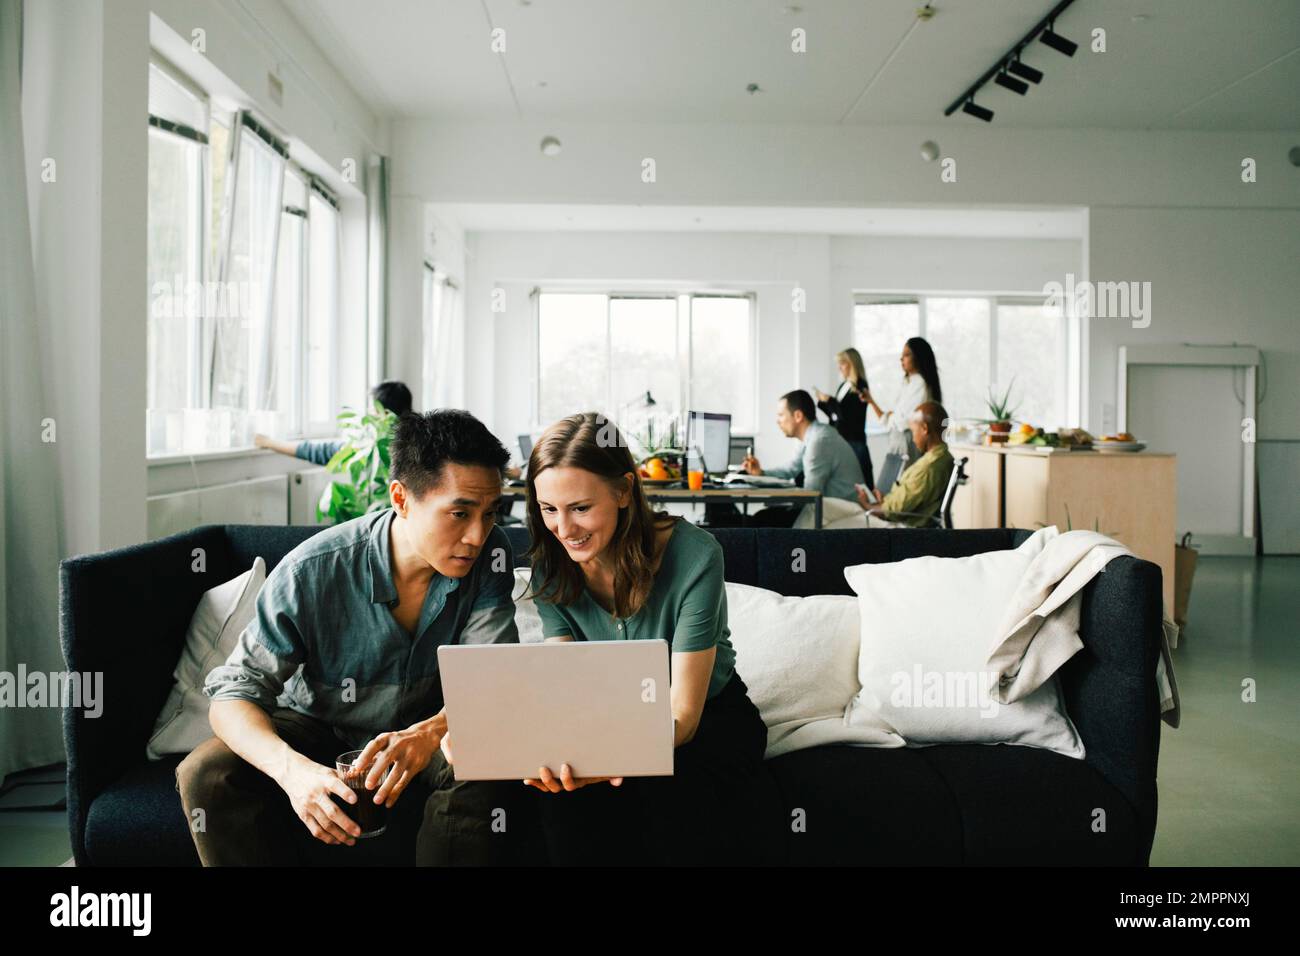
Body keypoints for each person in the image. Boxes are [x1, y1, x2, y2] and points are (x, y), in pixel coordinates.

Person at [177, 409, 533, 866]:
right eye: (460, 513)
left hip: (423, 730)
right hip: (317, 727)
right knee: (206, 772)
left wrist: (429, 732)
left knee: (481, 756)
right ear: (401, 499)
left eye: (490, 513)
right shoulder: (313, 570)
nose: (477, 535)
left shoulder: (491, 555)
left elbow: (492, 680)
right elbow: (232, 694)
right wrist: (293, 773)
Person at [443, 411, 780, 865]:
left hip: (702, 718)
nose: (564, 529)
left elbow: (682, 713)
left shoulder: (696, 556)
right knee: (559, 799)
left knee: (671, 801)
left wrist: (613, 756)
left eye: (580, 508)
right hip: (601, 711)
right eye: (548, 510)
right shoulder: (551, 562)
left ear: (623, 490)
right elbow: (565, 682)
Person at [740, 389, 862, 527]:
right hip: (828, 505)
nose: (777, 421)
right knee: (762, 518)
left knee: (761, 520)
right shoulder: (812, 436)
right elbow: (791, 468)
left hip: (839, 509)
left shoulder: (819, 440)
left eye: (781, 415)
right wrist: (761, 473)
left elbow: (811, 493)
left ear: (798, 416)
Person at [254, 380, 414, 465]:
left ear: (383, 413)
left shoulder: (372, 446)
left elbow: (320, 452)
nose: (368, 413)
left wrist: (268, 442)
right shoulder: (417, 440)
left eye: (372, 408)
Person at [857, 402, 954, 528]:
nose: (913, 439)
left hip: (904, 529)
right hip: (908, 519)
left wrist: (866, 504)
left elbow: (892, 512)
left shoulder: (928, 468)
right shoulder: (943, 457)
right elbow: (909, 499)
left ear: (924, 429)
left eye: (913, 431)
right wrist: (885, 500)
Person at [813, 347, 884, 486]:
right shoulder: (843, 386)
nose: (840, 368)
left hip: (855, 441)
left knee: (862, 482)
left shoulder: (860, 386)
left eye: (842, 363)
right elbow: (836, 416)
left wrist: (829, 400)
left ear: (852, 364)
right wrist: (824, 402)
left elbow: (847, 416)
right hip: (843, 439)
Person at [883, 337, 942, 472]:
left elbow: (904, 420)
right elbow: (897, 416)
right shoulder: (908, 383)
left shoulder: (920, 384)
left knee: (901, 482)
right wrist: (894, 416)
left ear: (918, 357)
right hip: (900, 439)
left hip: (907, 439)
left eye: (907, 354)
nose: (901, 359)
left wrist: (893, 416)